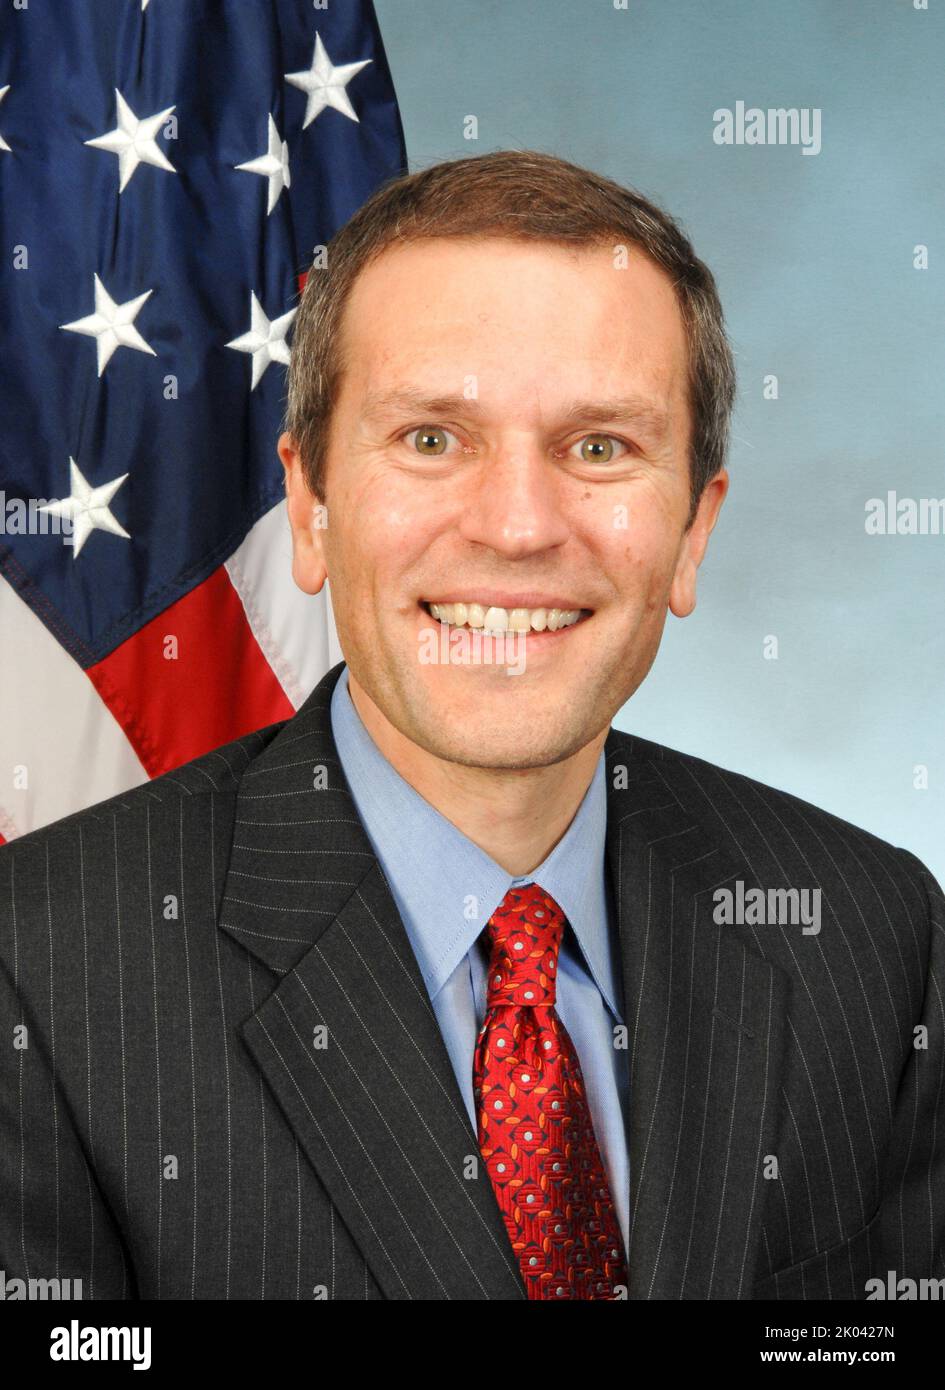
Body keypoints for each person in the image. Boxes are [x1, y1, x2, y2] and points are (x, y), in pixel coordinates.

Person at [1, 151, 941, 1302]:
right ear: (309, 505)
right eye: (434, 438)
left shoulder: (873, 935)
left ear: (694, 532)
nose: (517, 526)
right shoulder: (39, 974)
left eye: (599, 446)